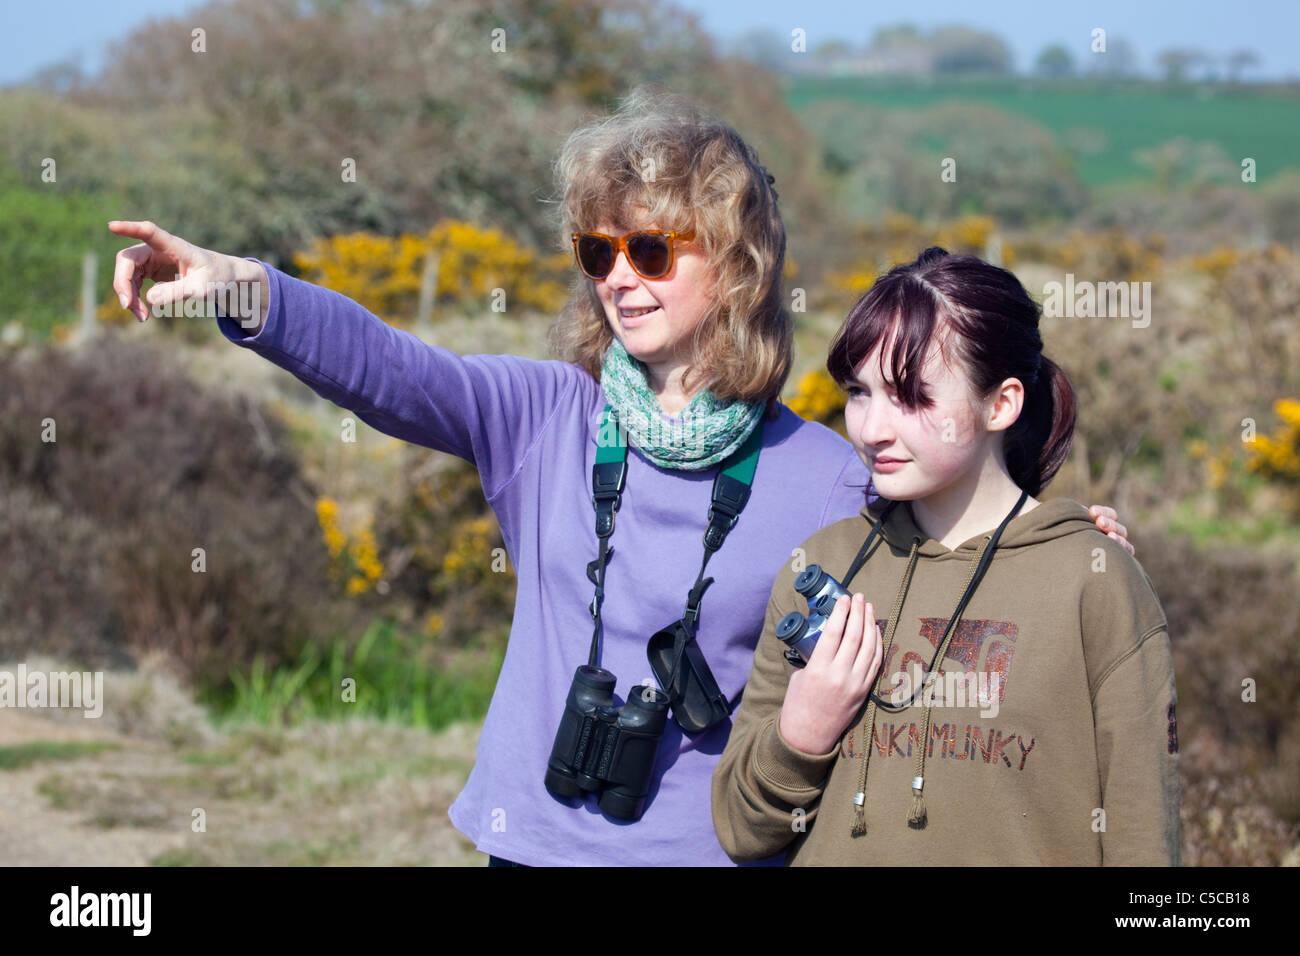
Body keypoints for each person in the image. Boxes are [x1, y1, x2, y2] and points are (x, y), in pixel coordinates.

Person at [109, 91, 1132, 866]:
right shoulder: (545, 417)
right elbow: (387, 366)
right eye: (598, 247)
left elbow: (958, 558)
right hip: (527, 838)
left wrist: (1063, 541)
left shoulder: (826, 472)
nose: (617, 274)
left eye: (651, 246)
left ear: (737, 263)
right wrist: (236, 283)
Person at [711, 246, 1179, 865]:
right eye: (858, 392)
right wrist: (802, 733)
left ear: (1001, 404)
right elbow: (743, 831)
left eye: (910, 397)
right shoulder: (820, 567)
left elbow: (1144, 837)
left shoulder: (1092, 580)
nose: (872, 427)